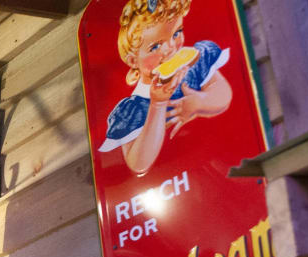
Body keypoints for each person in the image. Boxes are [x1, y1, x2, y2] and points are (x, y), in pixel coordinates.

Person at [98, 0, 233, 174]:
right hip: (175, 178)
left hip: (221, 157)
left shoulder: (196, 61)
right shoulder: (132, 110)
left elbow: (223, 92)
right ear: (133, 60)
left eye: (177, 33)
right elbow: (138, 164)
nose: (170, 48)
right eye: (155, 46)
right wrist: (158, 104)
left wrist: (200, 102)